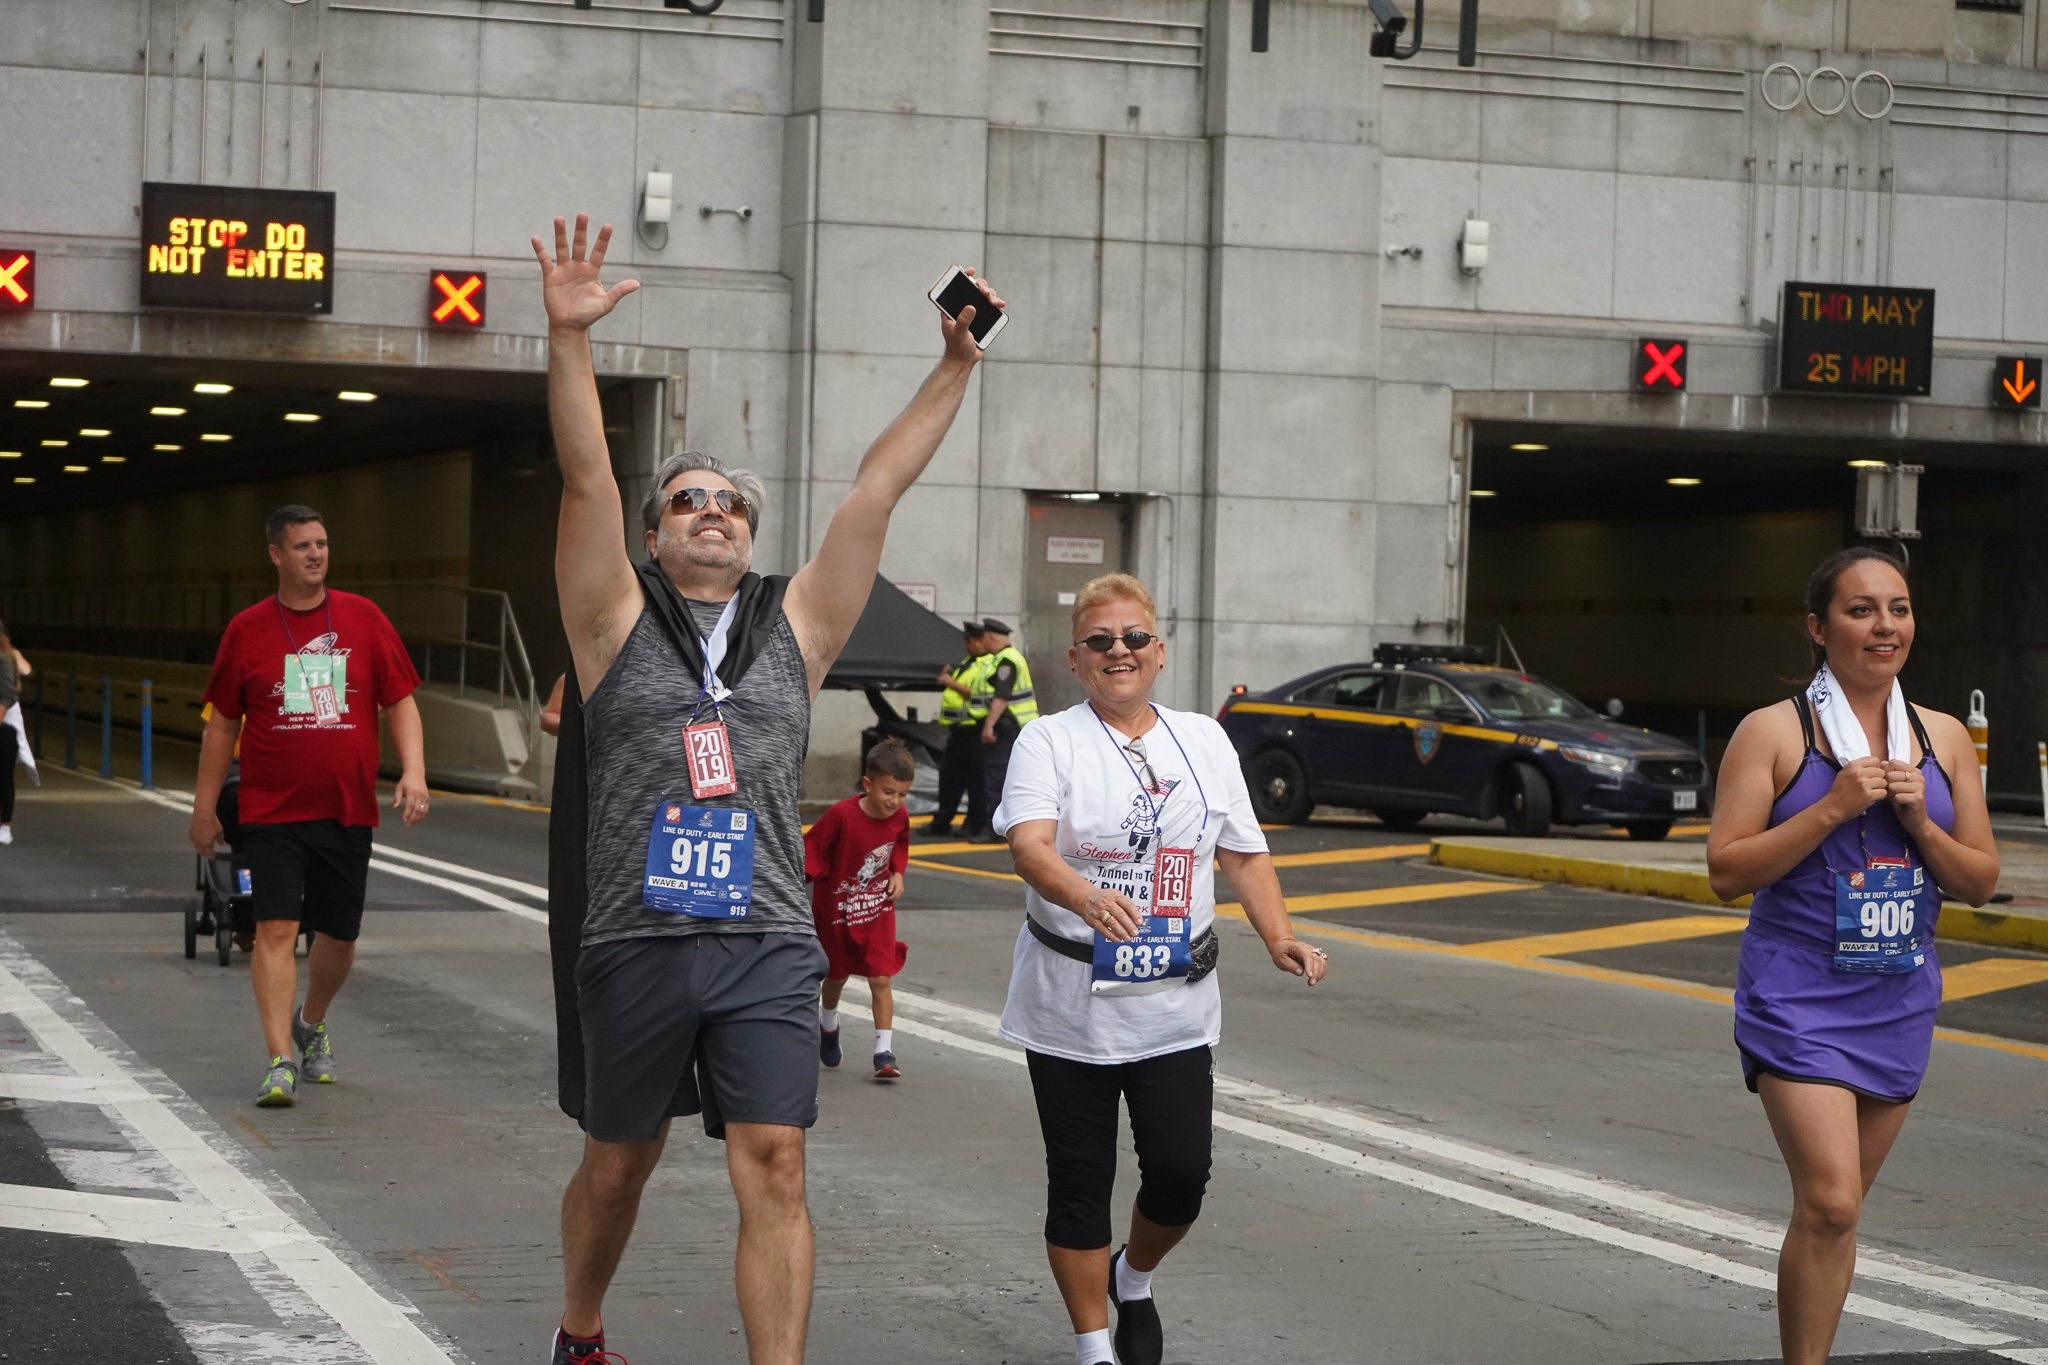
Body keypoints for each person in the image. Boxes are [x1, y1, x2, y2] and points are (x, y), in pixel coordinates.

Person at [533, 213, 995, 1365]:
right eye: (688, 500)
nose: (712, 513)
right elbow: (585, 470)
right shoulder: (610, 622)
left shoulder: (796, 626)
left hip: (767, 936)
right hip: (635, 936)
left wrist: (951, 369)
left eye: (730, 504)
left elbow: (875, 490)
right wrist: (569, 340)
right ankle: (581, 1326)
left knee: (776, 1160)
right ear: (651, 535)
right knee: (617, 1163)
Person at [995, 572, 1329, 1365]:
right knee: (1079, 1183)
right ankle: (1093, 1347)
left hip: (1174, 1004)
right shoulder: (1049, 739)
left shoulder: (1204, 740)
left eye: (1134, 638)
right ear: (1077, 659)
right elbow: (1029, 845)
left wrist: (1278, 933)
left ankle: (1133, 1275)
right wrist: (1085, 894)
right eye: (1101, 641)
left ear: (1160, 651)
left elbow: (1243, 852)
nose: (1120, 652)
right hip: (1069, 1002)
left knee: (1180, 1175)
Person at [1707, 546, 1998, 1365]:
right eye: (1861, 608)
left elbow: (1978, 878)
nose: (1885, 625)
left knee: (1835, 1211)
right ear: (1818, 626)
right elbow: (1727, 870)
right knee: (1832, 1200)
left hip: (1897, 995)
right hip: (1798, 993)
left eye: (1898, 608)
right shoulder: (1774, 731)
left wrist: (1923, 825)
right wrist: (1833, 807)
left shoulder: (1940, 737)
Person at [189, 506, 431, 1108]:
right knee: (275, 928)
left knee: (339, 936)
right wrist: (203, 807)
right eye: (302, 546)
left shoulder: (363, 618)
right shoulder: (247, 631)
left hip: (346, 805)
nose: (316, 555)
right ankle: (278, 1060)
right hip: (270, 807)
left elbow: (400, 700)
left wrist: (415, 772)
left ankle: (310, 1019)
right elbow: (221, 725)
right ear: (276, 554)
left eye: (322, 544)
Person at [804, 736, 914, 1080]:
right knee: (836, 975)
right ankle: (828, 1019)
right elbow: (811, 853)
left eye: (902, 794)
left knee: (881, 977)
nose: (895, 801)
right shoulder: (841, 815)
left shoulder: (900, 817)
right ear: (867, 784)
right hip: (837, 912)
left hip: (877, 910)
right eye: (888, 792)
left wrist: (897, 873)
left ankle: (884, 1052)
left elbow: (899, 845)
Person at [971, 617, 1036, 843]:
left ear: (990, 637)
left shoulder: (1006, 661)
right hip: (1012, 728)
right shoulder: (1004, 658)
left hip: (1008, 728)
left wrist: (988, 727)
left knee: (997, 779)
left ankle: (995, 830)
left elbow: (1001, 696)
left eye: (984, 638)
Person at [929, 621, 990, 837]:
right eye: (966, 640)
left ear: (983, 641)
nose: (967, 645)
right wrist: (950, 676)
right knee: (949, 778)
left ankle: (973, 824)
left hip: (975, 730)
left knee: (976, 781)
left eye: (971, 641)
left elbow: (978, 694)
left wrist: (950, 682)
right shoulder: (968, 663)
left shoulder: (988, 664)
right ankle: (942, 821)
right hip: (957, 731)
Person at [0, 622, 28, 845]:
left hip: (5, 724)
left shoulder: (6, 658)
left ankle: (5, 826)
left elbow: (7, 696)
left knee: (4, 776)